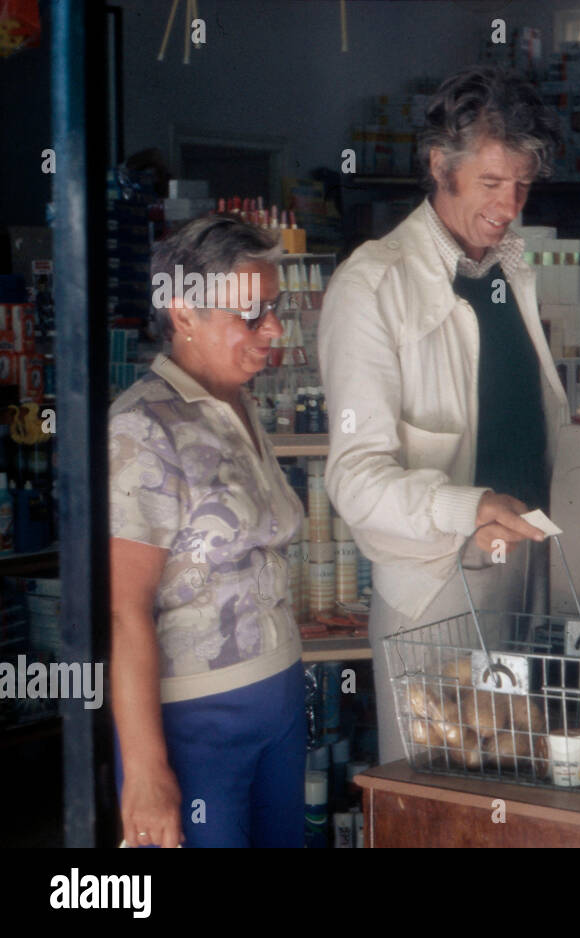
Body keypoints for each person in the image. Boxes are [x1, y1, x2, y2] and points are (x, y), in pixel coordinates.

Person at [319, 66, 570, 765]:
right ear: (439, 165)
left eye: (521, 185)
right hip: (437, 589)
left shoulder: (512, 268)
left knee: (520, 791)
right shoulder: (373, 284)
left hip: (529, 569)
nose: (509, 205)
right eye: (492, 184)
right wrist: (471, 503)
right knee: (438, 806)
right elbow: (356, 478)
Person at [109, 216, 304, 847]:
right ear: (183, 314)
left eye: (274, 309)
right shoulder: (142, 427)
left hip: (277, 699)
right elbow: (124, 613)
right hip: (199, 716)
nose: (272, 329)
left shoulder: (238, 402)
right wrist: (144, 770)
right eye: (251, 314)